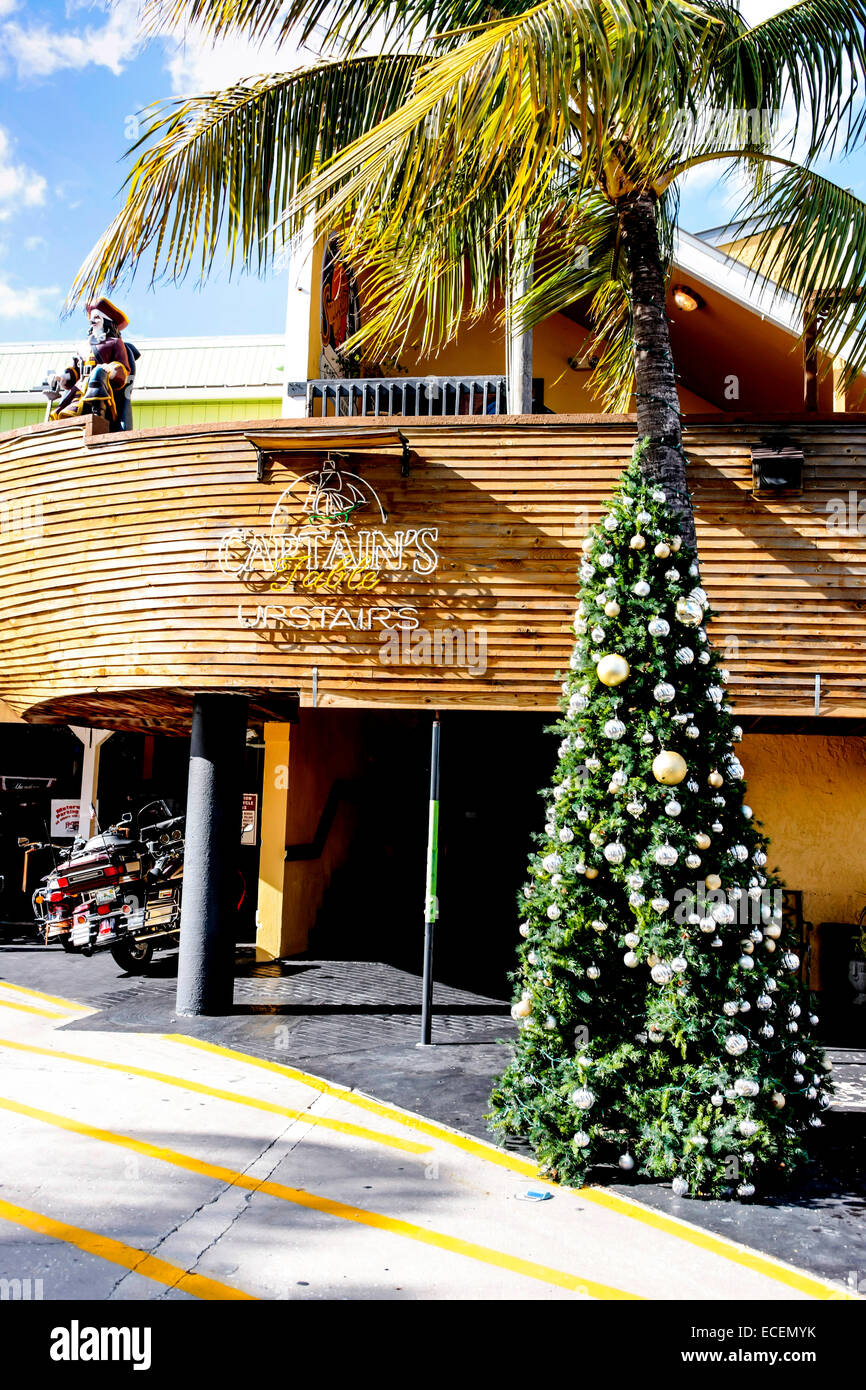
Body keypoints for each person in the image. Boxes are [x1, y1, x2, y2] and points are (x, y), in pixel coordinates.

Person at [46, 298, 135, 432]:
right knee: (66, 415)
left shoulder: (115, 343)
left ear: (106, 320)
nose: (92, 321)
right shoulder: (83, 346)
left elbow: (123, 367)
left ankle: (98, 417)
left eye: (97, 317)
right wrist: (61, 376)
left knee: (98, 374)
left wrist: (111, 370)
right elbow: (75, 369)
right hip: (80, 389)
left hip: (102, 390)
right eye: (91, 318)